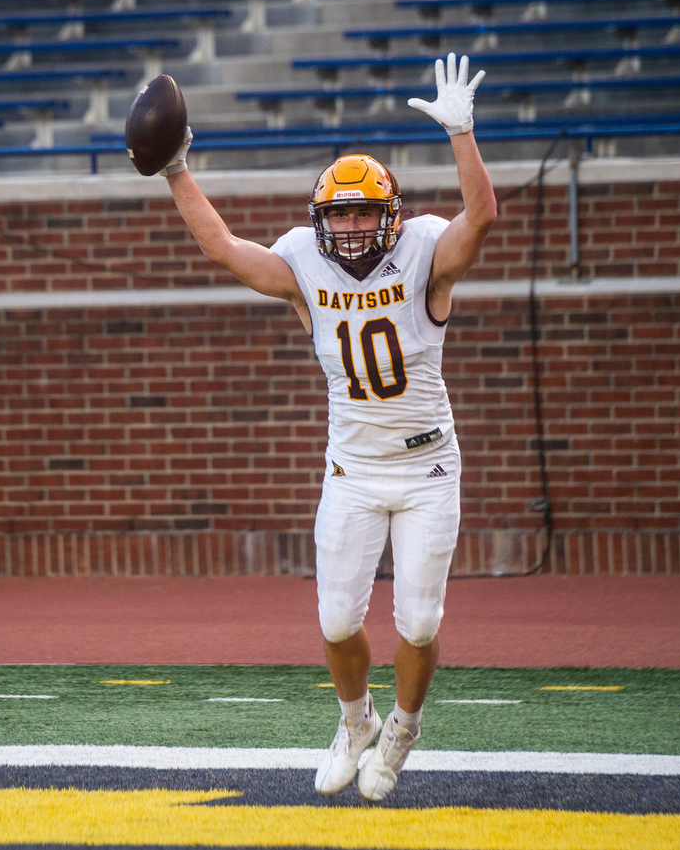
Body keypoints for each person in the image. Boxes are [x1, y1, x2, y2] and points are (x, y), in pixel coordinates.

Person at [161, 54, 496, 800]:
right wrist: (177, 169)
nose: (348, 226)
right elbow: (222, 248)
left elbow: (483, 219)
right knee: (338, 617)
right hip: (350, 467)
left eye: (361, 212)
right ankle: (356, 719)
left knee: (417, 621)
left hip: (427, 469)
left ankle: (403, 729)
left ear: (392, 215)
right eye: (337, 213)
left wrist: (462, 135)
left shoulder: (423, 252)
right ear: (320, 220)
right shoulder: (302, 263)